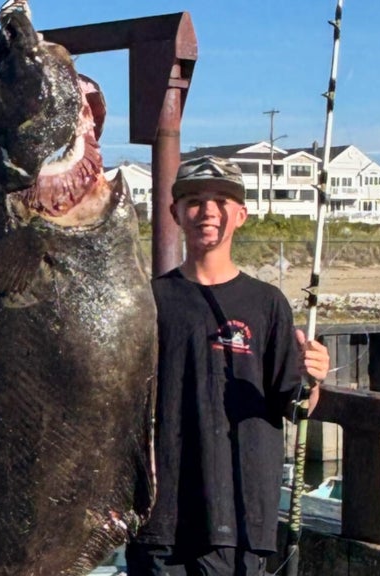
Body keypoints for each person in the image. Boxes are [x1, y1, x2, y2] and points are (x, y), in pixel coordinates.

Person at [126, 155, 331, 576]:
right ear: (175, 213)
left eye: (221, 200)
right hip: (161, 521)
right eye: (195, 200)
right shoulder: (147, 301)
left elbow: (294, 406)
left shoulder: (267, 303)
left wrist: (314, 378)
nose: (208, 211)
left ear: (241, 215)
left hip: (241, 520)